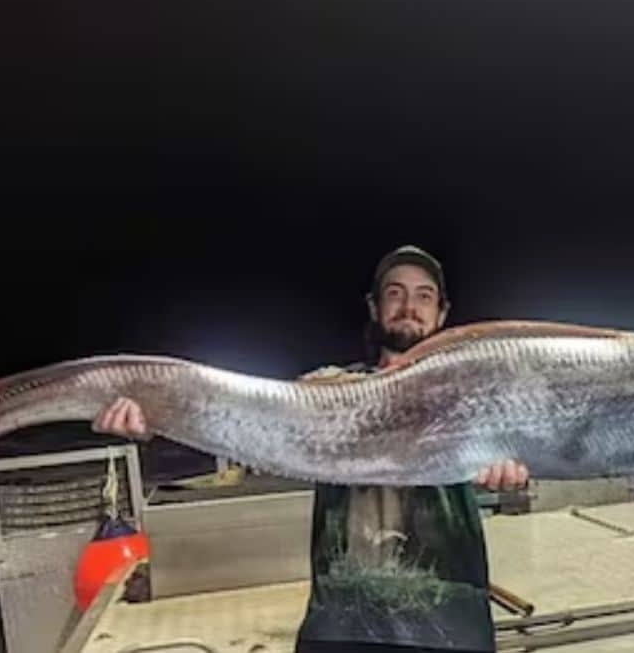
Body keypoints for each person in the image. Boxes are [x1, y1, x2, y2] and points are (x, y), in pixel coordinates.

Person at [92, 245, 527, 653]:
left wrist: (514, 468)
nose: (409, 306)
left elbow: (531, 449)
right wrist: (156, 417)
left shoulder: (477, 392)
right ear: (374, 307)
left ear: (442, 313)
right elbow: (240, 423)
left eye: (424, 296)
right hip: (341, 624)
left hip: (450, 626)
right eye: (395, 294)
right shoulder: (325, 388)